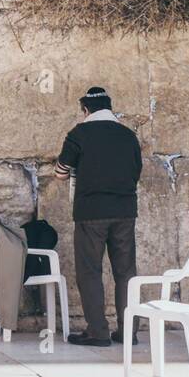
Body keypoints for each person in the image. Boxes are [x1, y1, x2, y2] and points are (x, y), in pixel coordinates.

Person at [54, 87, 143, 347]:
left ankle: (98, 331)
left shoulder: (79, 134)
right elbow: (136, 171)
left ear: (85, 110)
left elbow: (61, 171)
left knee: (90, 271)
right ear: (109, 107)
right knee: (126, 273)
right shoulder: (129, 136)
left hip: (91, 213)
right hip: (125, 212)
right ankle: (128, 331)